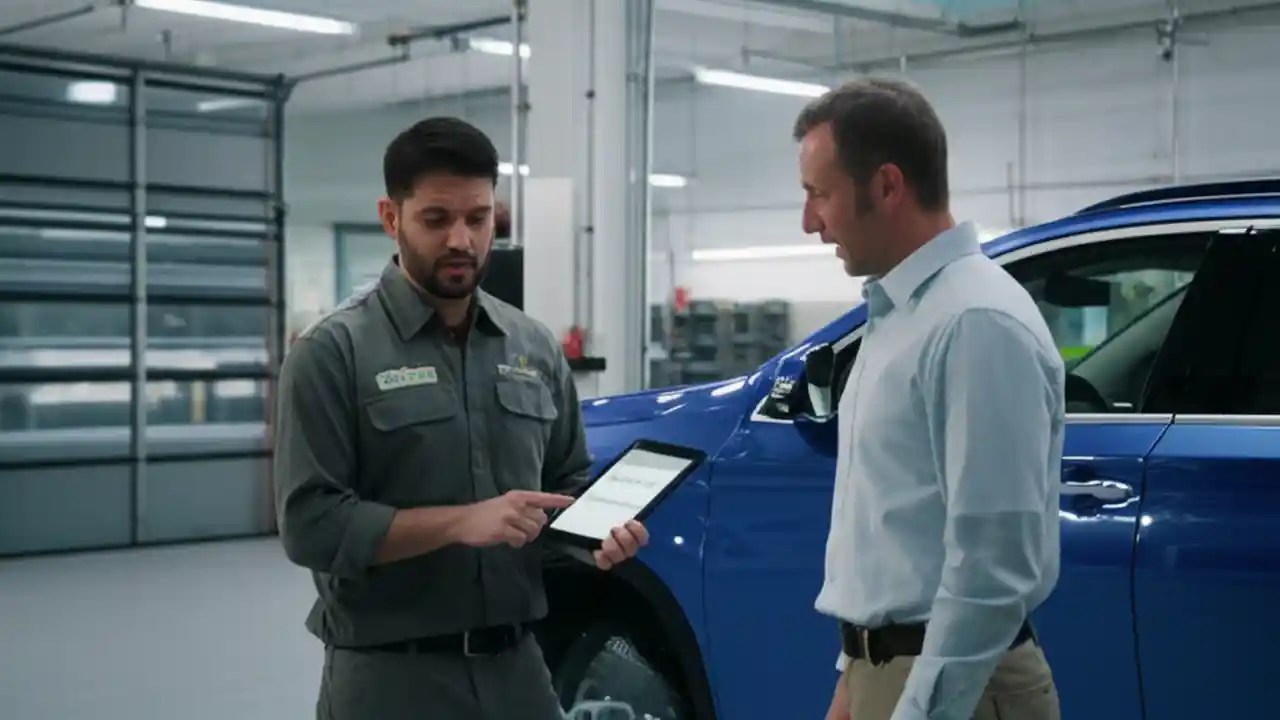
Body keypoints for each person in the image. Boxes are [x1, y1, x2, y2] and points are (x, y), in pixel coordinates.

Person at [273, 116, 648, 720]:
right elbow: (311, 525)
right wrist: (462, 522)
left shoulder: (532, 345)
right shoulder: (332, 352)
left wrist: (595, 536)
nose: (462, 240)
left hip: (519, 671)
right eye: (436, 219)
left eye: (478, 219)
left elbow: (565, 483)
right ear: (391, 218)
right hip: (390, 676)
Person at [793, 78, 1065, 720]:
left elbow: (991, 570)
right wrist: (853, 678)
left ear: (887, 186)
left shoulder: (975, 323)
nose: (809, 222)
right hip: (891, 675)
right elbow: (892, 539)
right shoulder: (900, 316)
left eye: (819, 193)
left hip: (959, 690)